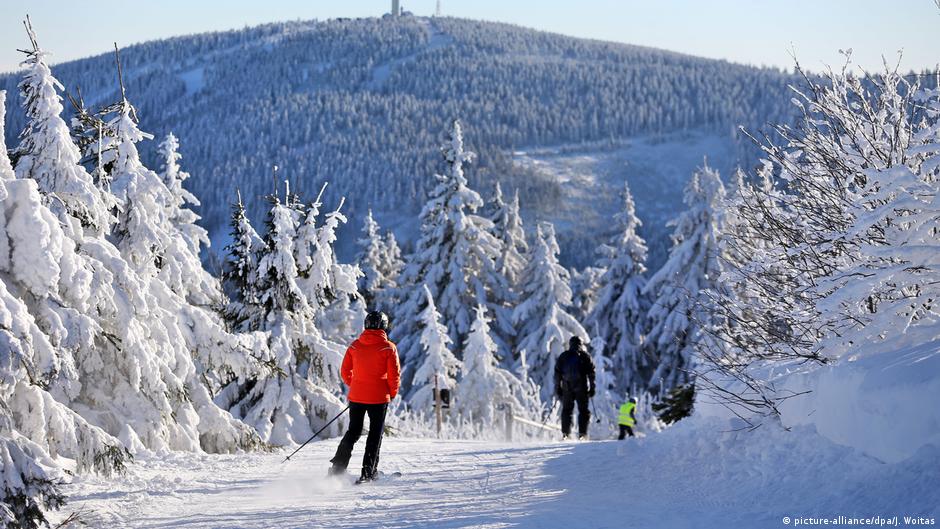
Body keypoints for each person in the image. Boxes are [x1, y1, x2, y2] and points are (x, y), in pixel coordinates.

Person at [329, 311, 401, 483]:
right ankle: (368, 473)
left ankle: (337, 469)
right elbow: (394, 376)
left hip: (357, 396)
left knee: (353, 432)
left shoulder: (355, 346)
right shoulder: (388, 348)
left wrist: (355, 385)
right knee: (375, 435)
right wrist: (391, 393)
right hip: (378, 398)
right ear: (384, 326)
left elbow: (345, 371)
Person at [554, 336, 596, 440]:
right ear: (581, 344)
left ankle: (565, 434)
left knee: (567, 410)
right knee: (583, 411)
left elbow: (557, 374)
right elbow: (591, 373)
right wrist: (592, 388)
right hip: (581, 387)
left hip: (567, 388)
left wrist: (558, 388)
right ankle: (582, 434)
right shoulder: (585, 356)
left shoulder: (563, 356)